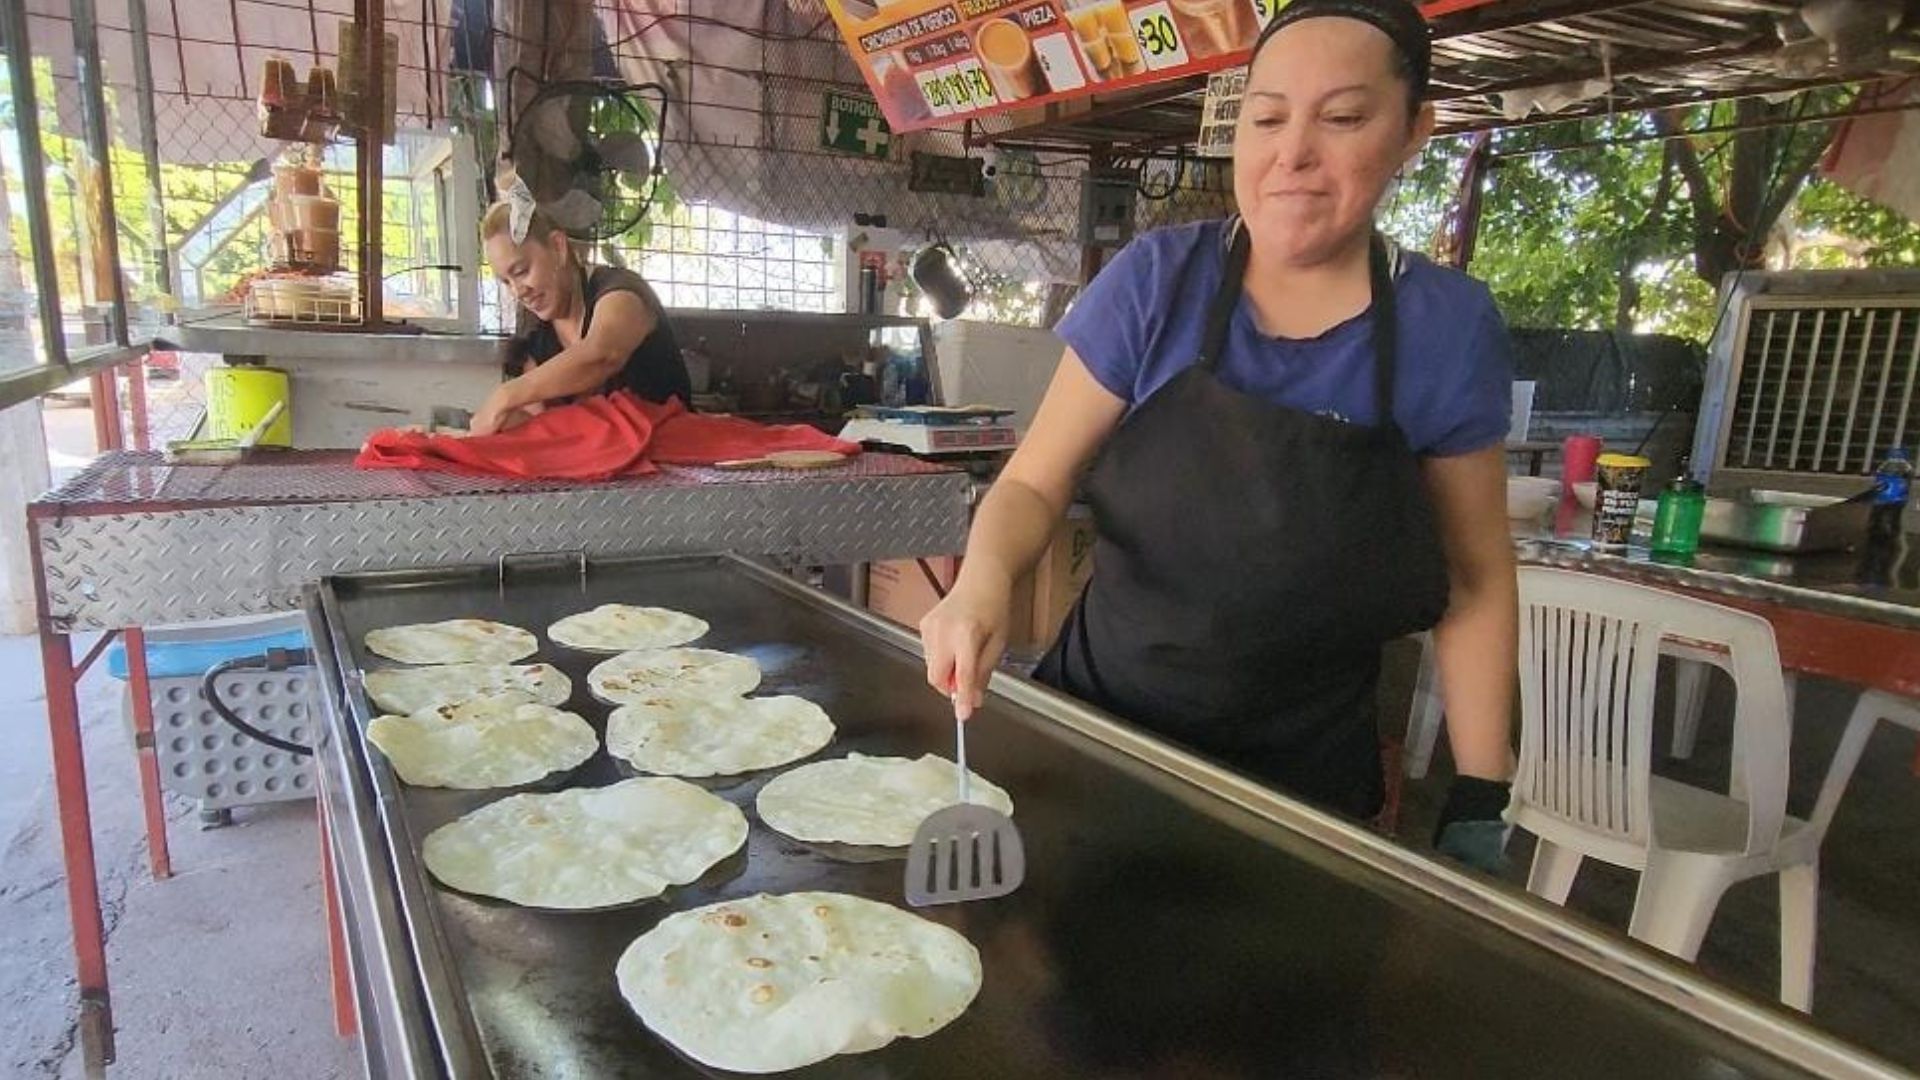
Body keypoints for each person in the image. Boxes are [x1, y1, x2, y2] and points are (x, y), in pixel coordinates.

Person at [918, 0, 1517, 865]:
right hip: (1099, 740)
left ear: (1413, 129)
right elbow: (1032, 483)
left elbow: (1475, 578)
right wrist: (980, 585)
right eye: (1267, 118)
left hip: (1304, 792)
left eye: (1342, 118)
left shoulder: (1447, 327)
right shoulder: (1158, 281)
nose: (1292, 155)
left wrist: (1479, 793)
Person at [473, 180, 692, 434]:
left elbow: (601, 355)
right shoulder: (536, 333)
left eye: (521, 271)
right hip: (604, 462)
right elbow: (540, 421)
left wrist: (506, 395)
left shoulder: (620, 292)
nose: (518, 291)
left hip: (672, 455)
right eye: (506, 282)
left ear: (558, 247)